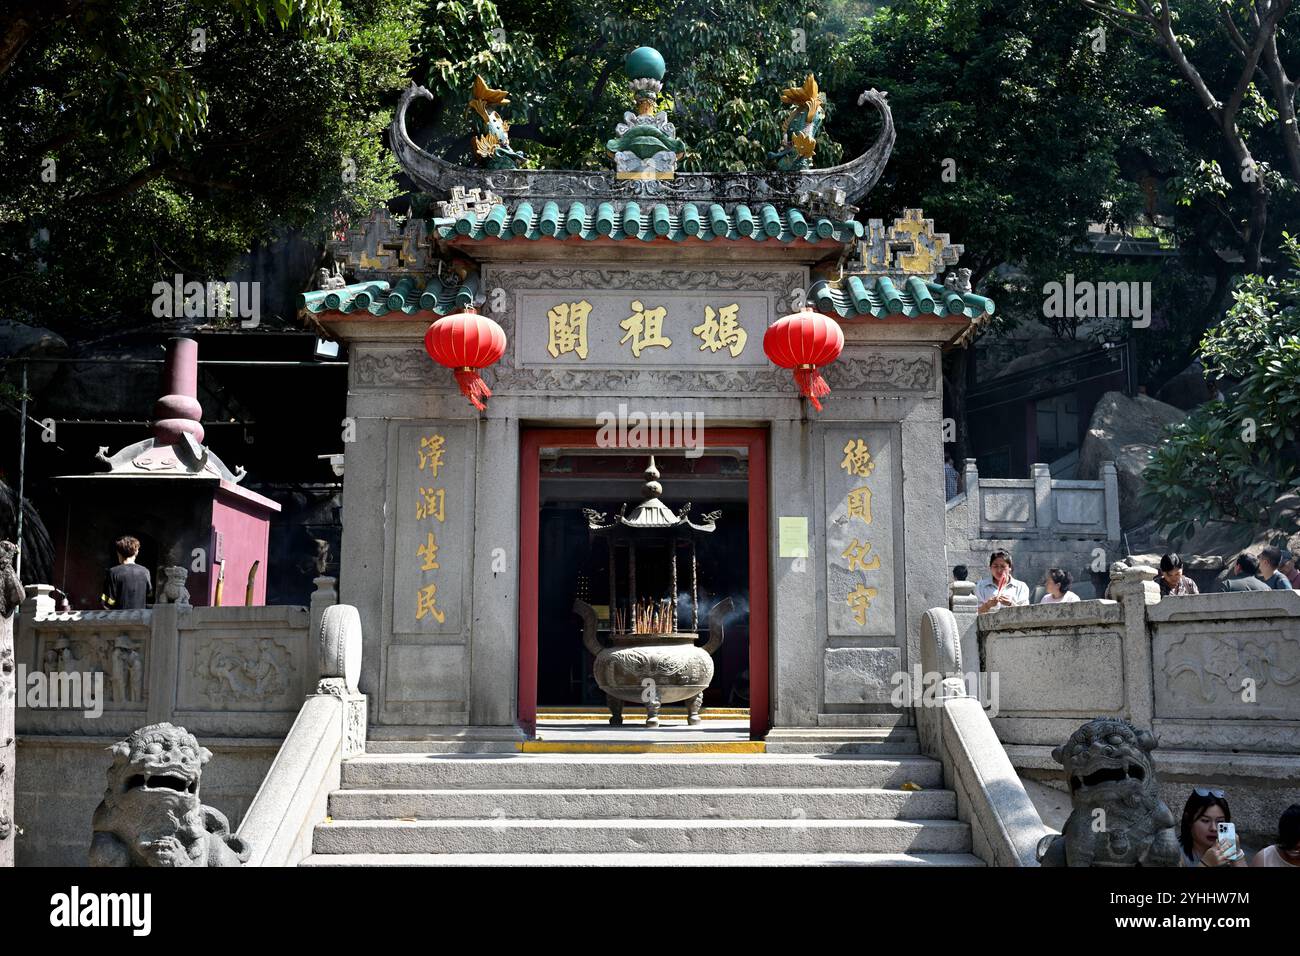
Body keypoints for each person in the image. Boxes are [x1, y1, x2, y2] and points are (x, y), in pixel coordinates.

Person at [1179, 789, 1248, 867]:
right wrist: (1206, 864)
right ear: (1188, 820)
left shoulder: (1229, 854)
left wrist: (1237, 855)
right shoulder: (1176, 854)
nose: (1214, 828)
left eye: (1220, 821)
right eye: (1205, 821)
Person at [101, 535, 151, 610]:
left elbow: (107, 603)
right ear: (136, 552)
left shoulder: (113, 572)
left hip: (119, 618)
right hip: (140, 617)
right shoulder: (145, 571)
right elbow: (149, 593)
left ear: (118, 553)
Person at [975, 549, 1029, 613]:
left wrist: (1011, 604)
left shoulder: (1021, 587)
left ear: (1010, 567)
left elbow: (1025, 612)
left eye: (1003, 566)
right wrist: (987, 605)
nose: (999, 570)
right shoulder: (980, 586)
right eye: (995, 566)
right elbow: (974, 613)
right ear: (990, 567)